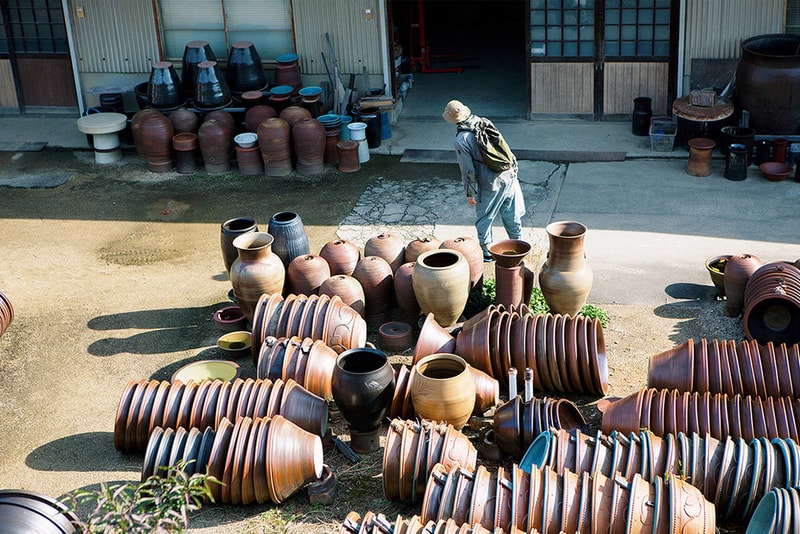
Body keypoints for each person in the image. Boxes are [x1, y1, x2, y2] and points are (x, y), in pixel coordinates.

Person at [442, 99, 526, 262]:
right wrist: (513, 164)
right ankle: (519, 245)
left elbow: (468, 171)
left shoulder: (461, 140)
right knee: (511, 213)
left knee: (485, 218)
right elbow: (503, 144)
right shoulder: (484, 122)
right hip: (508, 175)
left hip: (490, 183)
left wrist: (470, 193)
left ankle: (487, 252)